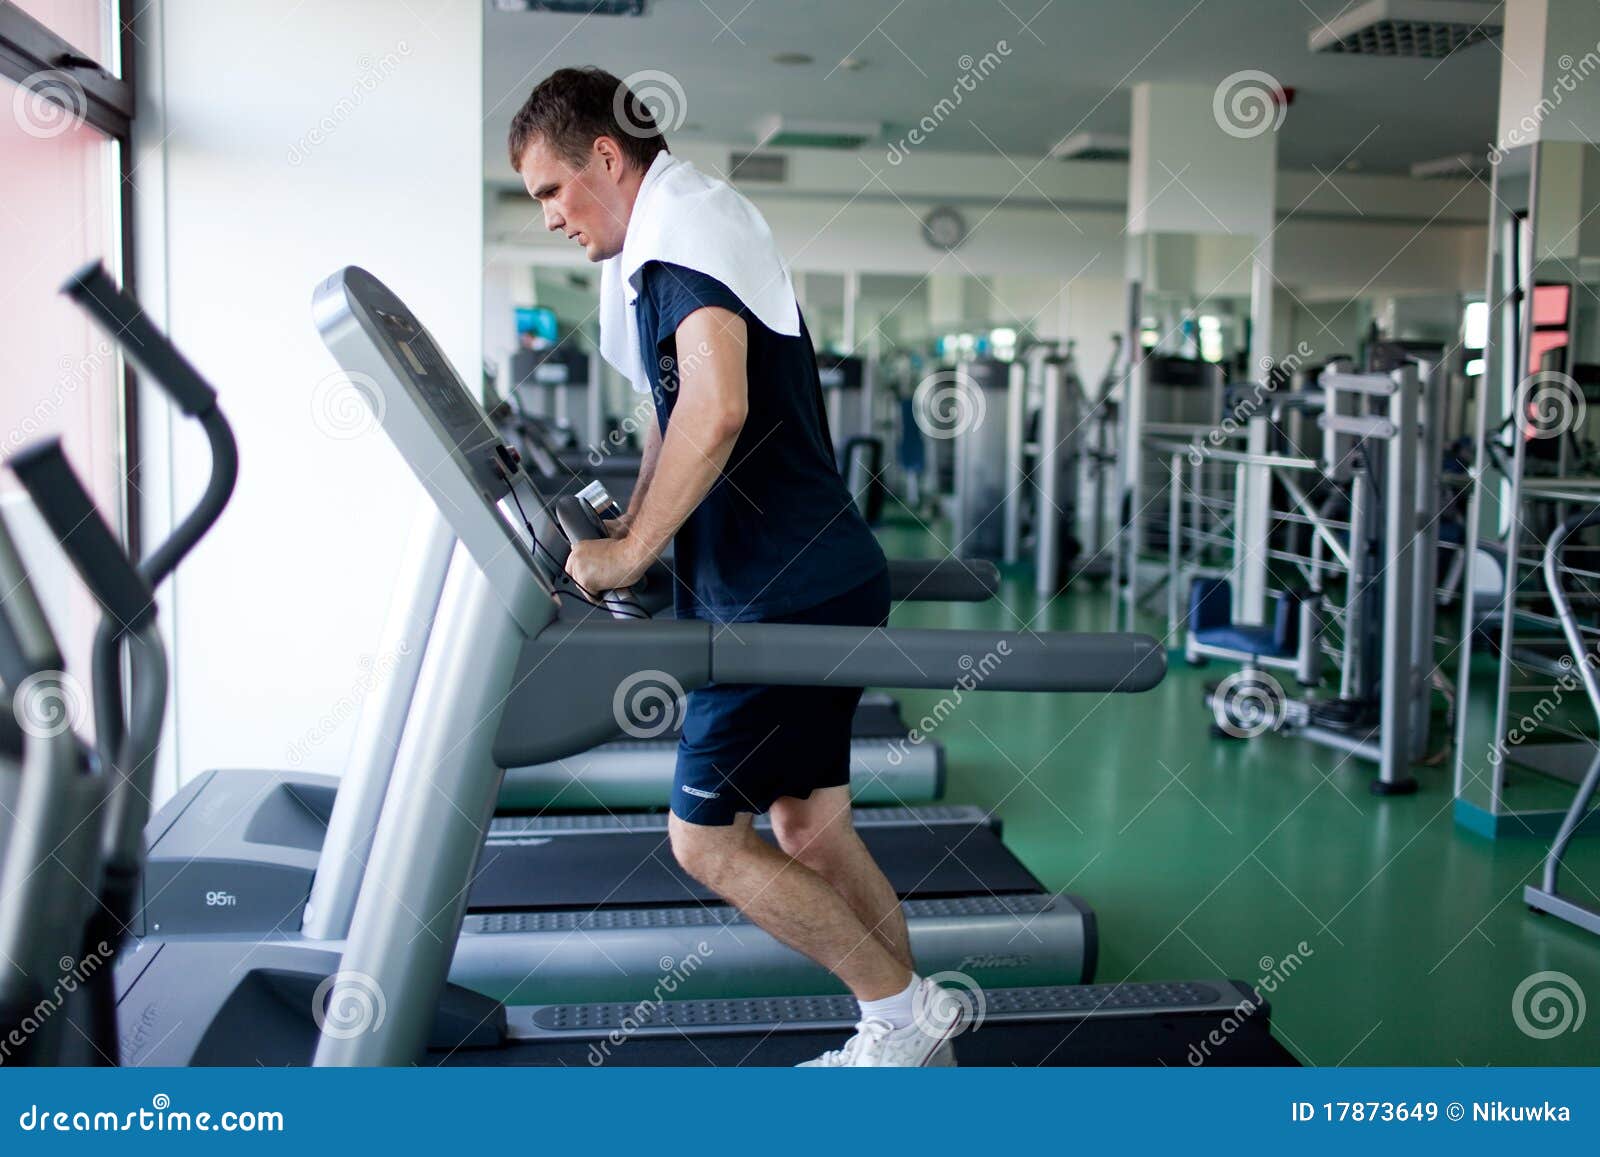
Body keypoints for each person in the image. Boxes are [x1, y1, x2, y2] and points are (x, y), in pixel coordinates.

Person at [508, 67, 960, 1067]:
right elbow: (684, 426)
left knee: (704, 840)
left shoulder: (681, 238)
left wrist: (631, 549)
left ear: (607, 159)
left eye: (550, 189)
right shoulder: (688, 228)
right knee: (811, 829)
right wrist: (633, 531)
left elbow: (715, 408)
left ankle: (904, 1015)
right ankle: (912, 1042)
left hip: (781, 595)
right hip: (807, 576)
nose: (548, 217)